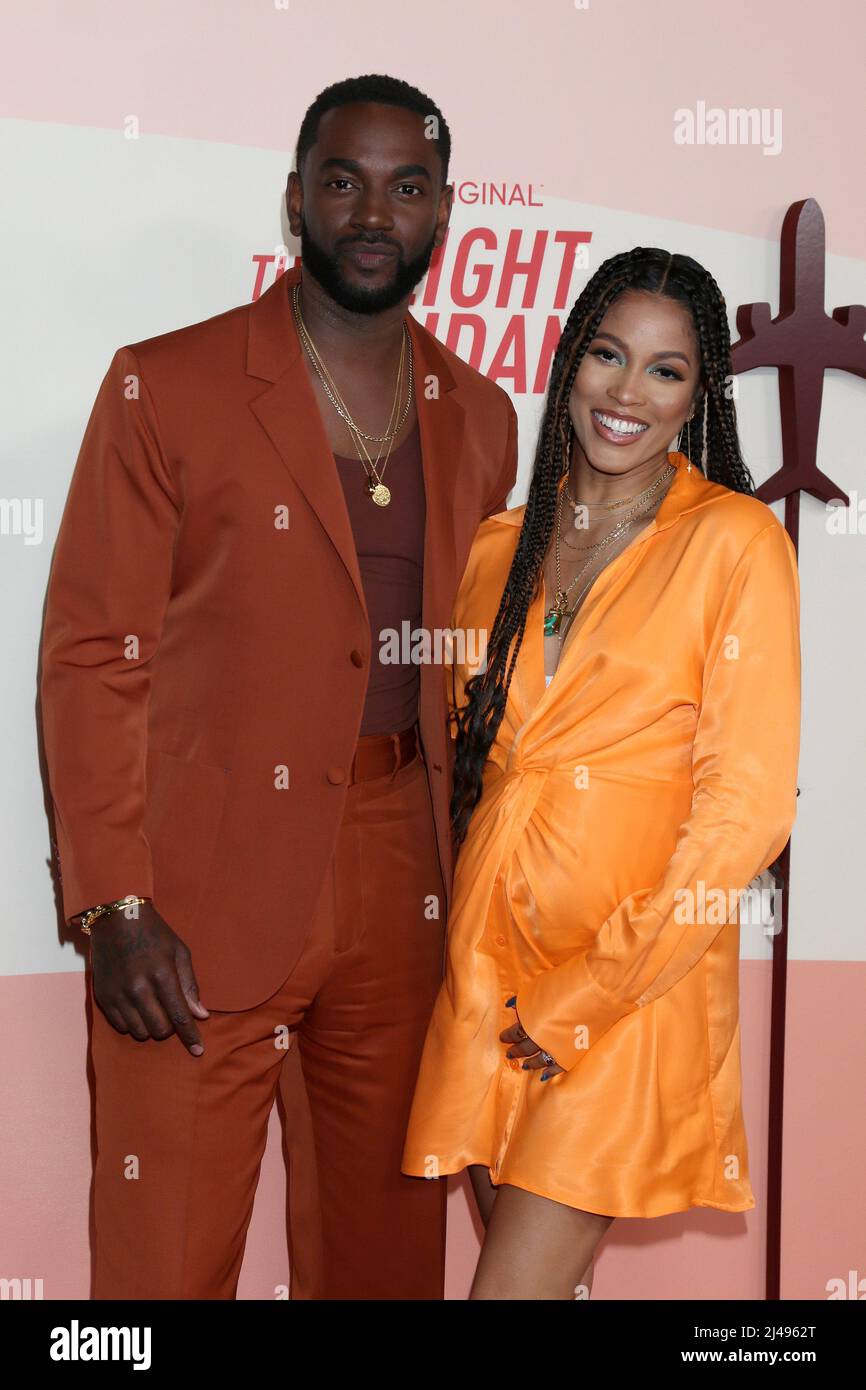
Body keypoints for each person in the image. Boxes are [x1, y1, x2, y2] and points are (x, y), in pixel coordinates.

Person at [39, 73, 517, 1300]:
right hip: (194, 887)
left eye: (405, 186)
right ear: (295, 195)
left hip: (403, 875)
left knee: (382, 1257)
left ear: (444, 212)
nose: (371, 211)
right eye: (342, 180)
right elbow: (93, 655)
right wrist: (111, 905)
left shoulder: (480, 412)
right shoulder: (167, 385)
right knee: (161, 1267)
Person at [401, 247, 802, 1300]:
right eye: (606, 355)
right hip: (490, 970)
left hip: (626, 993)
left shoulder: (733, 542)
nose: (625, 393)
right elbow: (463, 763)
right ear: (568, 360)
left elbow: (745, 807)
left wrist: (587, 990)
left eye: (664, 371)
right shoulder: (496, 547)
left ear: (697, 395)